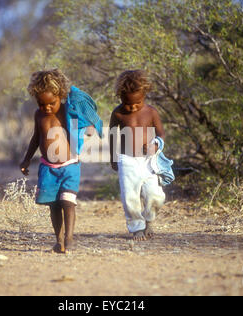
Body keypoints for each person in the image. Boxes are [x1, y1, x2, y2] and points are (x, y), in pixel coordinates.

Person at [20, 69, 102, 253]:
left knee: (67, 202)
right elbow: (35, 137)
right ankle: (59, 241)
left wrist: (88, 128)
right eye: (42, 104)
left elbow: (84, 121)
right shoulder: (38, 115)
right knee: (54, 205)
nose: (47, 107)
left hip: (69, 166)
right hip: (47, 167)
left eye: (52, 103)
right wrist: (26, 160)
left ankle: (69, 238)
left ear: (61, 96)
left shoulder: (67, 112)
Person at [109, 70, 172, 241]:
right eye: (127, 103)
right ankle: (137, 227)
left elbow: (161, 134)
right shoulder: (117, 114)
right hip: (127, 160)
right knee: (130, 196)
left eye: (137, 103)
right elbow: (113, 137)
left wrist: (155, 145)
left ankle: (149, 219)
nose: (132, 107)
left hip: (148, 161)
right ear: (120, 97)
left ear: (144, 95)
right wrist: (113, 159)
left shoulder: (151, 112)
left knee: (156, 195)